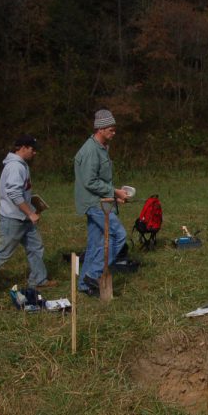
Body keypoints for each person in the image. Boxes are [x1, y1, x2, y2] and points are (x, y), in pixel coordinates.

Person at [0, 136, 56, 292]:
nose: (35, 153)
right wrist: (30, 213)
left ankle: (38, 279)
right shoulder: (15, 167)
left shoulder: (20, 166)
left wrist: (33, 206)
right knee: (3, 253)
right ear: (22, 148)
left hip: (23, 218)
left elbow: (21, 191)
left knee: (36, 247)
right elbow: (14, 193)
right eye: (32, 149)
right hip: (13, 219)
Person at [74, 108, 129, 296]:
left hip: (102, 201)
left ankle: (84, 284)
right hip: (94, 204)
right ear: (100, 129)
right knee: (119, 235)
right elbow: (89, 181)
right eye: (111, 130)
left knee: (96, 244)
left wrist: (115, 196)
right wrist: (114, 192)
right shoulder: (90, 151)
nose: (114, 133)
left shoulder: (102, 148)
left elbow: (100, 179)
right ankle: (94, 275)